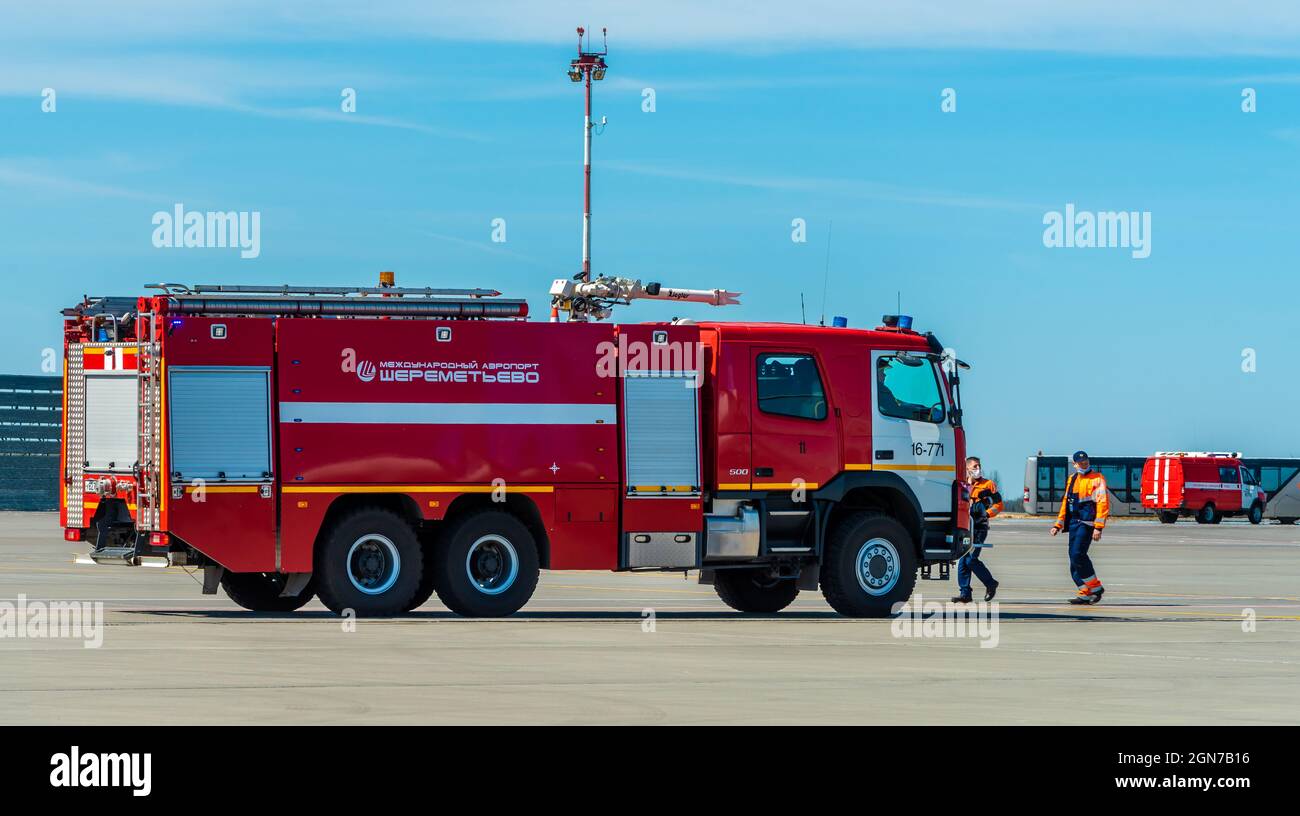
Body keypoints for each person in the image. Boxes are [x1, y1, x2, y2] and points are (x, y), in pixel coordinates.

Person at [1050, 450, 1109, 604]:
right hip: (1073, 523)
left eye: (1086, 462)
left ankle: (1096, 587)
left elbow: (1102, 503)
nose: (1084, 464)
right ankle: (1085, 591)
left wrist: (1098, 526)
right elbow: (1066, 502)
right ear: (1074, 464)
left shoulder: (1097, 478)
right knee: (1073, 560)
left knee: (1077, 555)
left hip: (1087, 523)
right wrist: (1058, 524)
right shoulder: (1072, 479)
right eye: (1081, 462)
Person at [953, 456, 1000, 603]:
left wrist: (986, 514)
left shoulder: (988, 484)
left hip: (979, 527)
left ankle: (990, 583)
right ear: (967, 469)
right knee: (963, 560)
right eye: (974, 466)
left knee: (971, 559)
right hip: (965, 526)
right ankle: (965, 592)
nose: (978, 469)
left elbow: (999, 505)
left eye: (979, 466)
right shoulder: (961, 485)